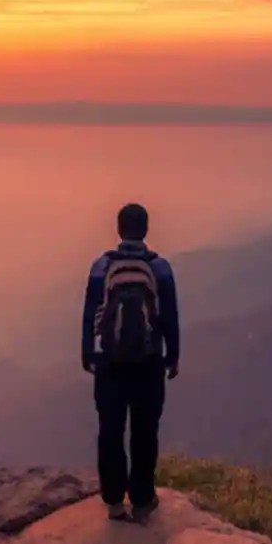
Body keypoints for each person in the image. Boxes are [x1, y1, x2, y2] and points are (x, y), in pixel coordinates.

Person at [82, 203, 180, 524]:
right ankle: (141, 500)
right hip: (148, 362)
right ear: (146, 230)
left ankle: (113, 501)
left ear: (118, 230)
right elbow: (169, 317)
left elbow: (90, 314)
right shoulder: (160, 267)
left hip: (109, 361)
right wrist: (172, 356)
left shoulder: (102, 265)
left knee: (110, 429)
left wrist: (88, 353)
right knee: (144, 430)